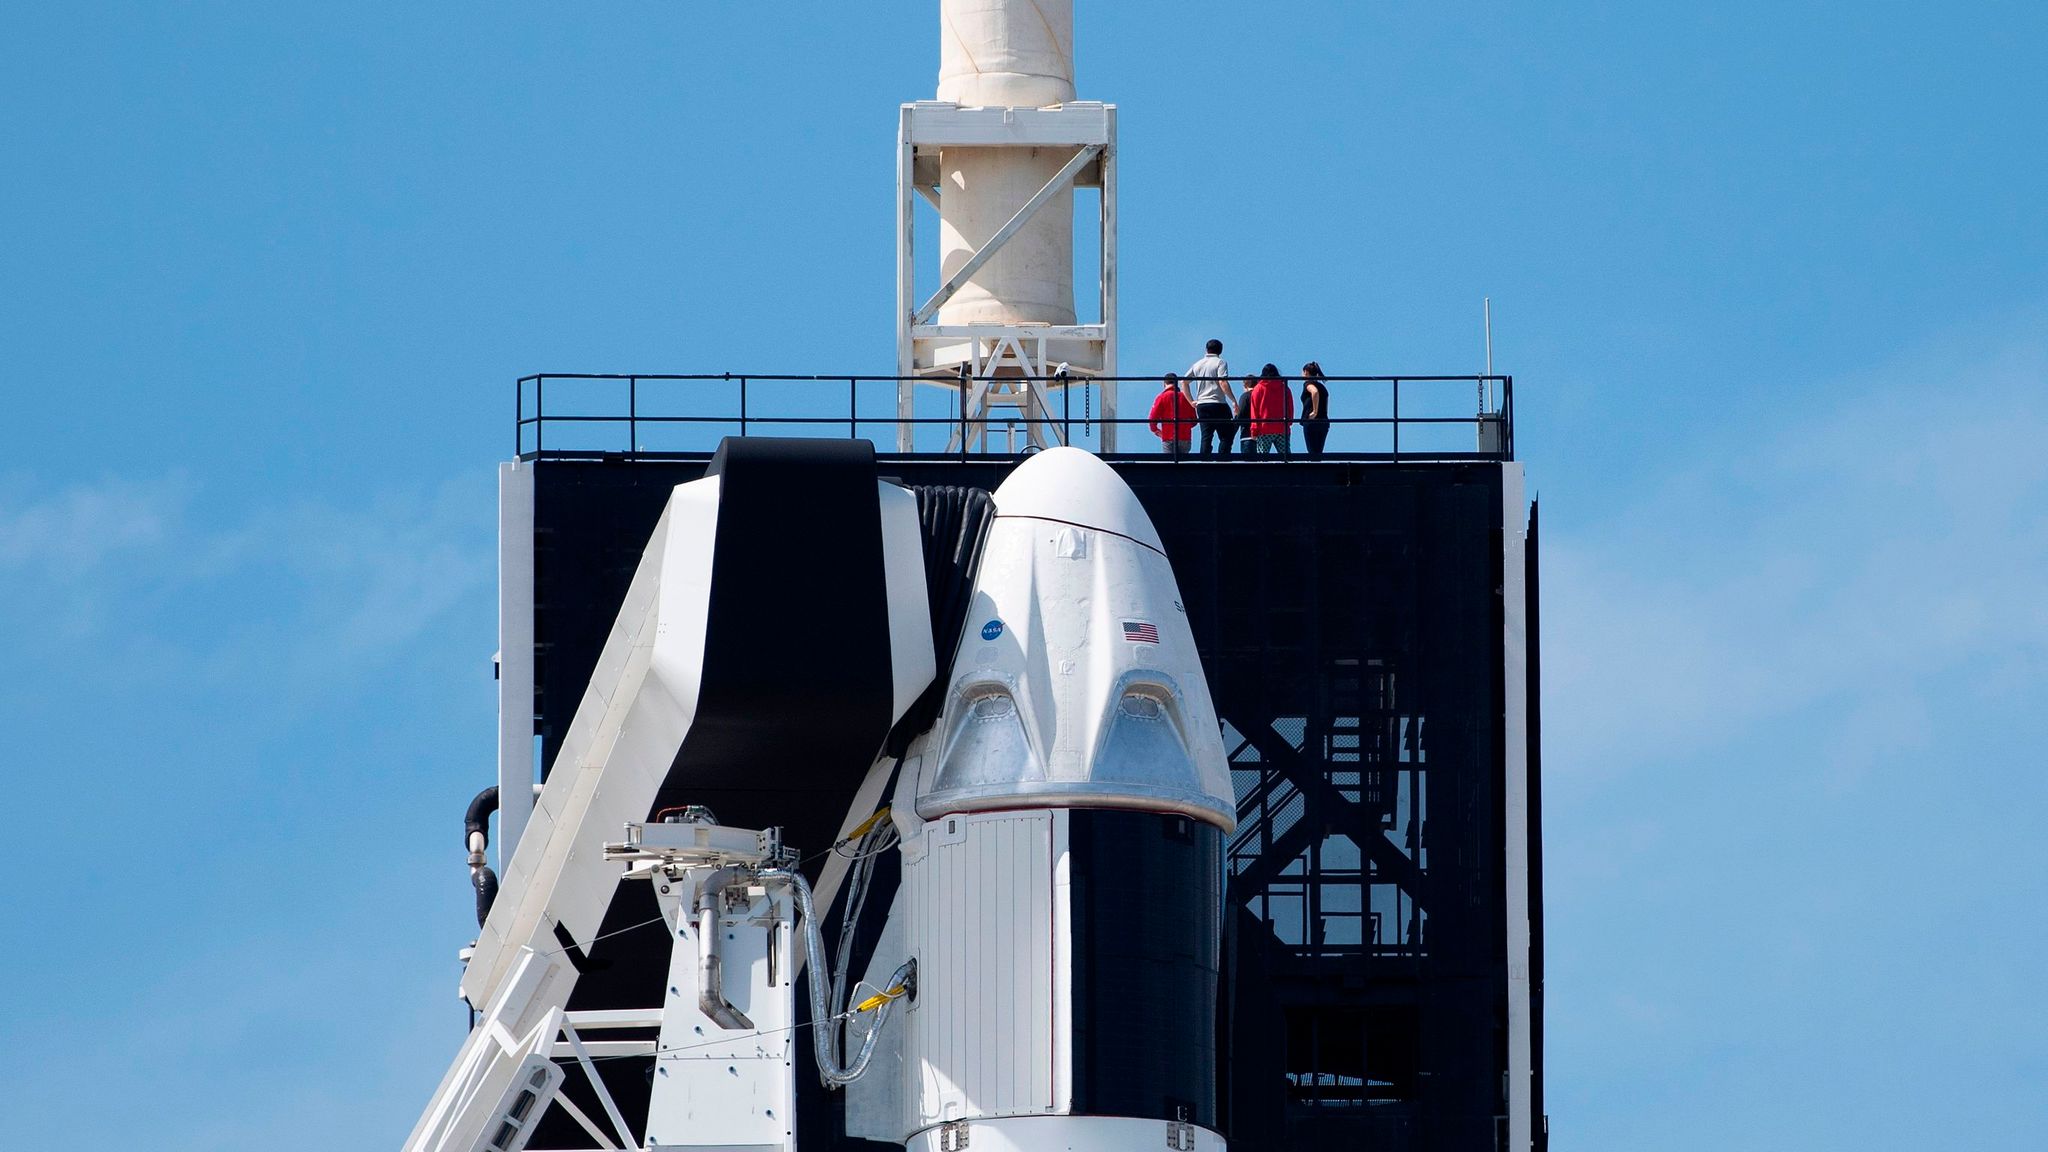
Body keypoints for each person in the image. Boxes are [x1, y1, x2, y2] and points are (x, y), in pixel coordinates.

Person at [1185, 338, 1236, 456]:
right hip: (1218, 403)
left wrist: (1191, 401)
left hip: (1202, 404)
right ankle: (1223, 458)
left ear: (1206, 349)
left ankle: (1204, 459)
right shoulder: (1220, 362)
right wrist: (1233, 400)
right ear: (1220, 351)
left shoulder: (1197, 364)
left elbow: (1184, 382)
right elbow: (1222, 382)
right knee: (1226, 435)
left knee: (1206, 436)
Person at [1248, 364, 1293, 456]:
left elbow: (1254, 411)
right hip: (1282, 427)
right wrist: (1289, 422)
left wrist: (1254, 430)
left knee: (1262, 458)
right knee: (1286, 456)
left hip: (1264, 428)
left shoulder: (1258, 389)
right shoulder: (1285, 387)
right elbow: (1290, 407)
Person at [1148, 372, 1196, 456]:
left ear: (1164, 383)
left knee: (1169, 465)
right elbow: (1194, 420)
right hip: (1185, 437)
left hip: (1168, 436)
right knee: (1183, 465)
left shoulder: (1161, 397)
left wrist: (1155, 430)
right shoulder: (1185, 396)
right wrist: (1186, 426)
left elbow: (1152, 418)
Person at [1299, 361, 1330, 459]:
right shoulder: (1322, 387)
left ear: (1306, 372)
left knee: (1312, 451)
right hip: (1323, 421)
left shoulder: (1308, 384)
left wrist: (1314, 412)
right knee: (1318, 452)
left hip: (1311, 421)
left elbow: (1314, 392)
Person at [1234, 373, 1259, 457]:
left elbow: (1240, 416)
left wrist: (1236, 414)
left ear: (1245, 385)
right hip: (1261, 435)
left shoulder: (1245, 396)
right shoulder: (1261, 396)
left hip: (1247, 435)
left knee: (1249, 465)